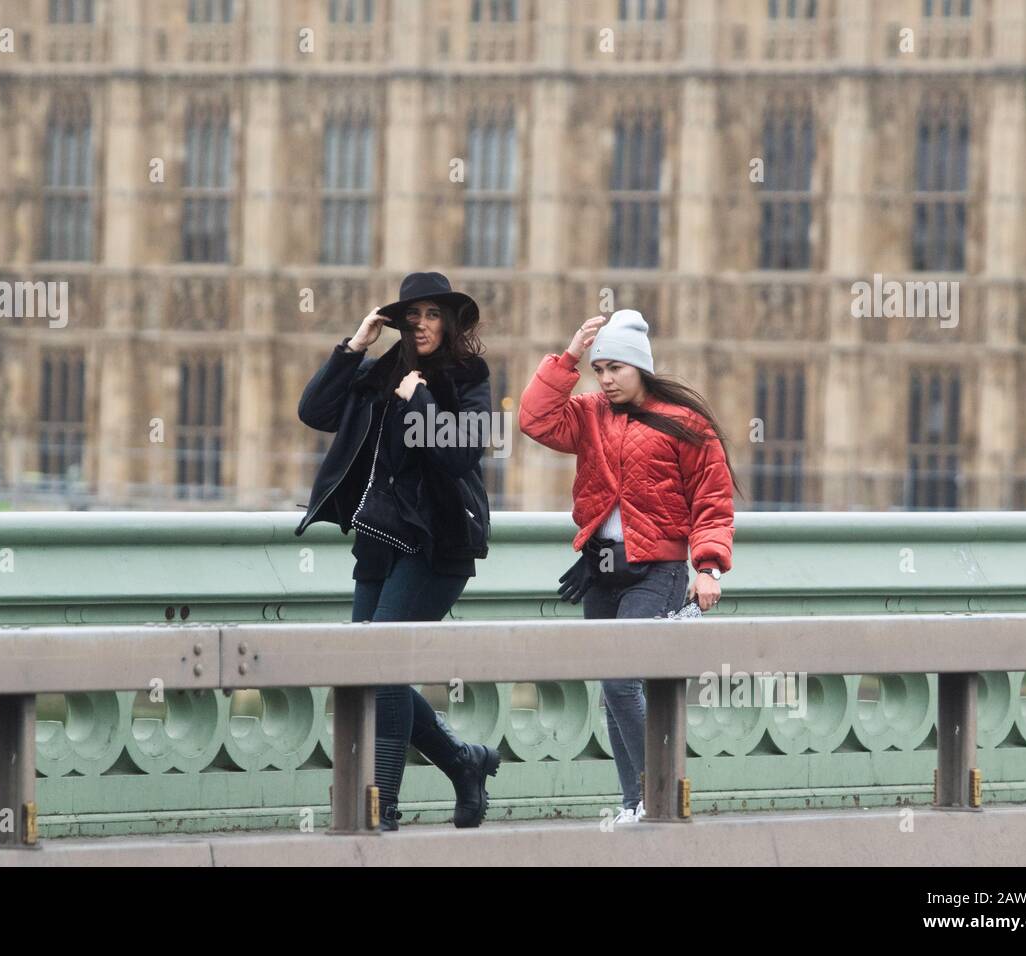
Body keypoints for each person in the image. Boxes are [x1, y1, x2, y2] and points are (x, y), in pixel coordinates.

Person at [295, 271, 500, 831]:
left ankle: (380, 803)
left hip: (438, 544)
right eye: (413, 317)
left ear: (451, 322)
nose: (423, 325)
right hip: (380, 539)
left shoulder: (467, 376)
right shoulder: (378, 372)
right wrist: (353, 347)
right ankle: (463, 763)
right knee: (367, 670)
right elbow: (314, 412)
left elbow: (459, 456)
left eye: (433, 315)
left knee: (383, 665)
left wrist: (423, 400)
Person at [518, 309, 739, 825]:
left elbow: (712, 500)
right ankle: (633, 802)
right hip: (602, 572)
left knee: (621, 683)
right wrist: (568, 356)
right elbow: (534, 419)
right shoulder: (590, 414)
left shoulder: (686, 424)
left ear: (641, 367)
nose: (607, 378)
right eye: (600, 369)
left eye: (616, 367)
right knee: (612, 690)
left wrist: (708, 567)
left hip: (657, 572)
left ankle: (661, 792)